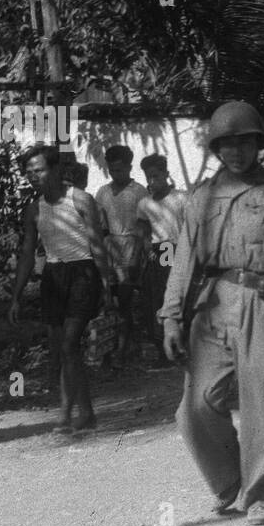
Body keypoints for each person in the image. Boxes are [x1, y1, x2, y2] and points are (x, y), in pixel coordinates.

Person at [160, 101, 264, 526]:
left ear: (258, 145)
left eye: (244, 143)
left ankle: (259, 493)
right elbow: (184, 257)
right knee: (195, 407)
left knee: (259, 400)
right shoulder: (202, 197)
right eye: (227, 145)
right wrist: (171, 316)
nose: (236, 152)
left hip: (262, 303)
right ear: (215, 149)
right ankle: (229, 481)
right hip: (213, 302)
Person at [8, 144, 113, 434]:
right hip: (53, 277)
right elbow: (28, 254)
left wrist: (106, 284)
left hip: (83, 272)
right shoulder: (33, 209)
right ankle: (81, 413)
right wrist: (16, 296)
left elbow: (96, 244)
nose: (33, 176)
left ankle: (73, 413)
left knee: (69, 344)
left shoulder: (81, 200)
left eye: (39, 170)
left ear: (55, 170)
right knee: (61, 348)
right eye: (29, 172)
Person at [95, 145, 148, 363]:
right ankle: (108, 348)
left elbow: (144, 227)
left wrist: (136, 256)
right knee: (109, 301)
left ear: (128, 167)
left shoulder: (139, 192)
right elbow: (100, 225)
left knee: (125, 301)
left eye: (119, 169)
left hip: (130, 248)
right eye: (111, 170)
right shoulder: (103, 192)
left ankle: (122, 350)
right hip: (109, 250)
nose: (115, 174)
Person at [135, 154, 188, 365]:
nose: (151, 181)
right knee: (155, 298)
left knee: (176, 295)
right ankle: (162, 349)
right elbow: (143, 230)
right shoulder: (144, 203)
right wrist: (147, 249)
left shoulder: (181, 198)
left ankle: (183, 344)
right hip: (158, 251)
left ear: (166, 174)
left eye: (155, 176)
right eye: (148, 177)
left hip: (177, 248)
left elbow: (190, 229)